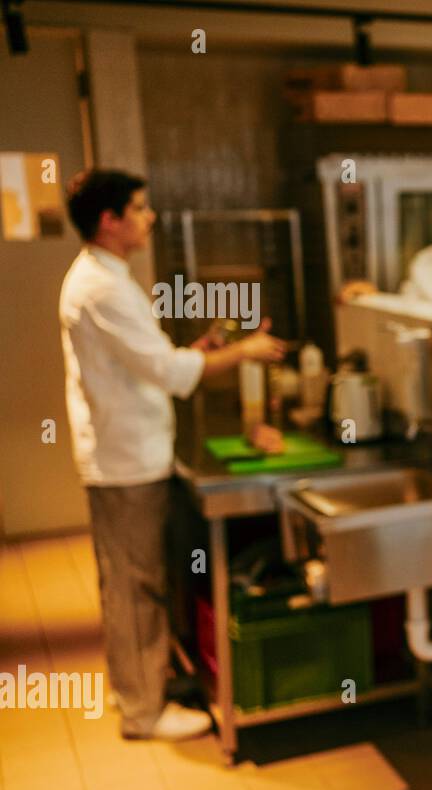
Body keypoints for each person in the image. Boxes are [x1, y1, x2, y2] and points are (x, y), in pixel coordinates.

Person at [59, 169, 286, 741]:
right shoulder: (102, 286)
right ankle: (143, 710)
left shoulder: (105, 277)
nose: (150, 217)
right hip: (125, 459)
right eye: (138, 208)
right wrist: (244, 352)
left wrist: (197, 351)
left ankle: (137, 684)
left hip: (125, 453)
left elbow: (150, 360)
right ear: (109, 221)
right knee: (137, 585)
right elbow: (166, 372)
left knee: (128, 582)